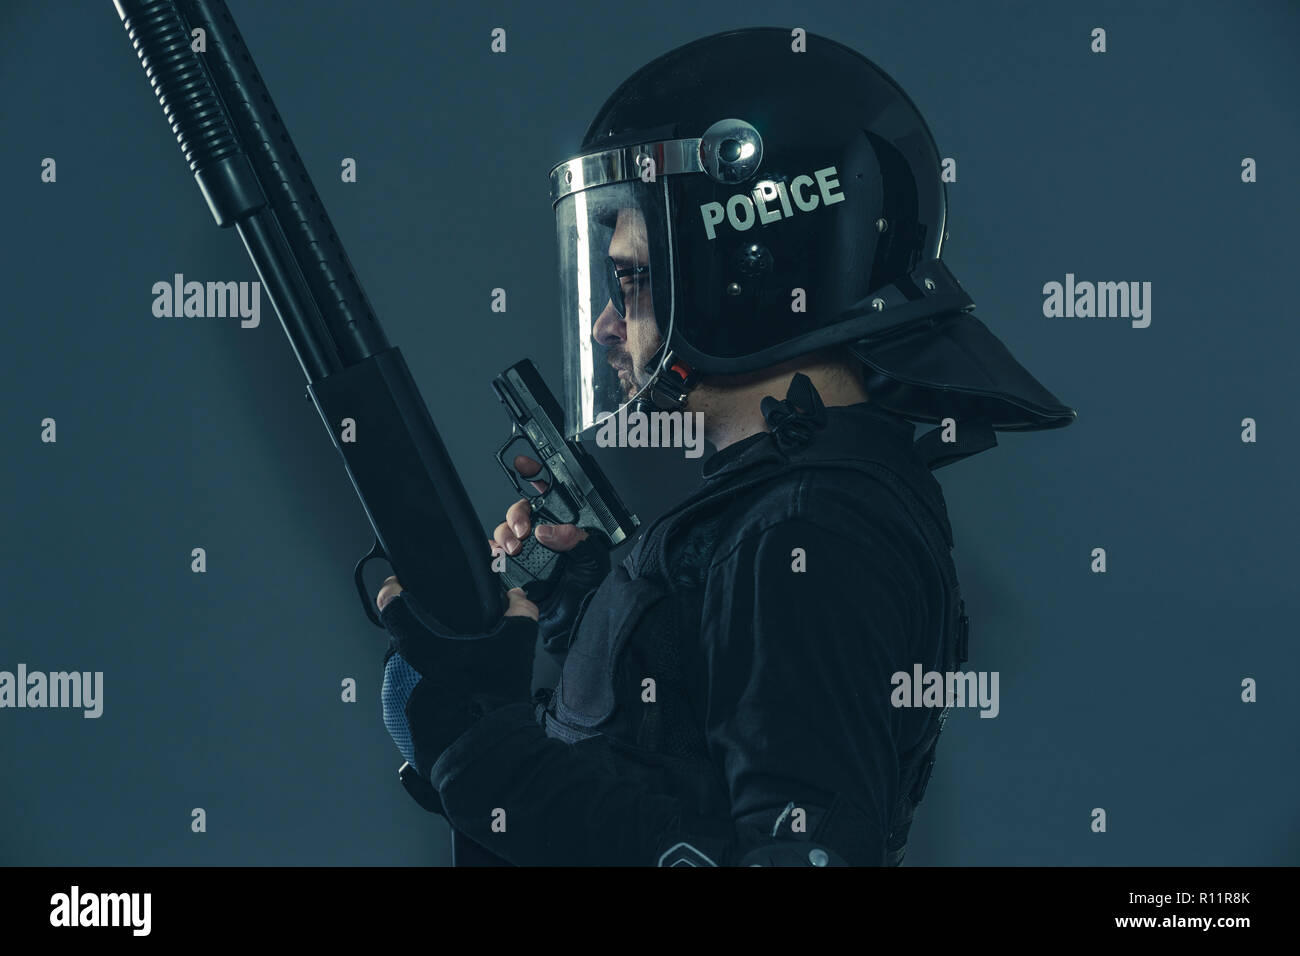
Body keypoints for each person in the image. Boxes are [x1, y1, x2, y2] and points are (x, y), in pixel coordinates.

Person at [374, 27, 1076, 866]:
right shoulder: (793, 502)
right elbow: (691, 779)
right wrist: (622, 620)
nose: (603, 324)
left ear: (745, 273)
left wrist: (484, 757)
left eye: (631, 279)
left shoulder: (808, 532)